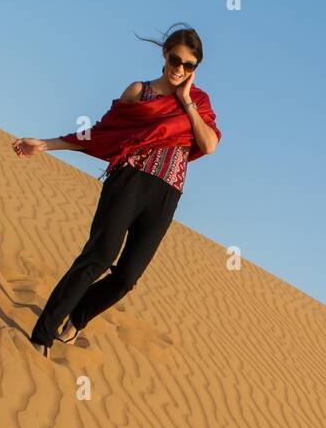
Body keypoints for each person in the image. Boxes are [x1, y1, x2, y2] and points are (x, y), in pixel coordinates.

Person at [11, 22, 221, 358]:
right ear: (164, 55)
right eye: (175, 59)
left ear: (196, 68)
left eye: (189, 64)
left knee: (127, 276)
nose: (180, 68)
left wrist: (186, 103)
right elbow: (102, 134)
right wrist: (46, 144)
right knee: (98, 257)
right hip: (129, 182)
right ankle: (43, 334)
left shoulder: (199, 102)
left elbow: (208, 145)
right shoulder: (140, 92)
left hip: (167, 194)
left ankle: (79, 316)